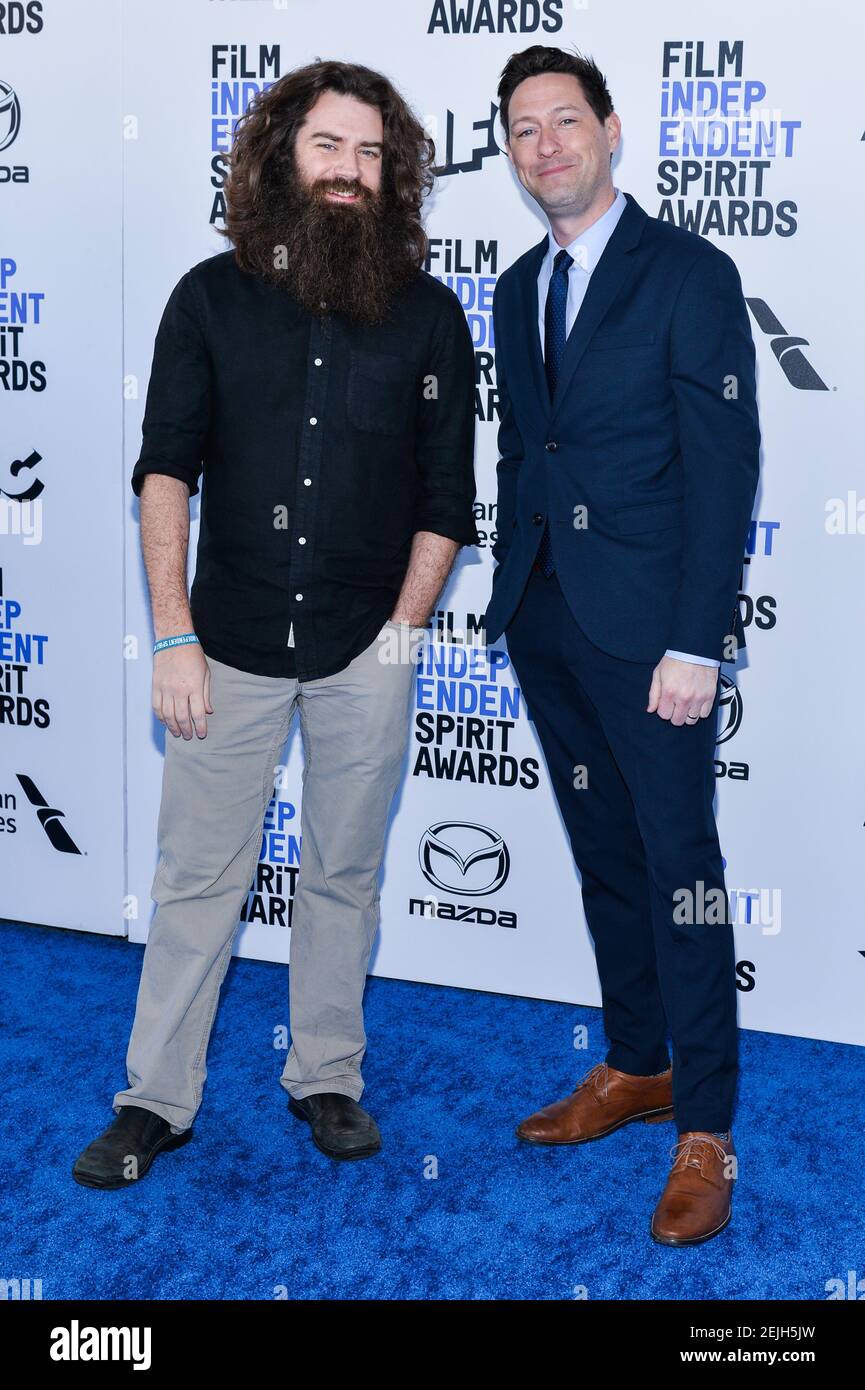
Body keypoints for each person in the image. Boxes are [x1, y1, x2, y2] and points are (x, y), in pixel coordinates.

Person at [72, 60, 478, 1187]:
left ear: (391, 174)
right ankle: (155, 1099)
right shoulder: (206, 299)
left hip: (367, 644)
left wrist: (402, 633)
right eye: (328, 146)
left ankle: (327, 1075)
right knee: (198, 879)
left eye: (370, 153)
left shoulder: (431, 317)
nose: (349, 172)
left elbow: (447, 501)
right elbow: (166, 475)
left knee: (343, 871)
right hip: (228, 643)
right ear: (279, 156)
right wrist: (171, 637)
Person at [484, 45, 760, 1245]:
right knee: (604, 855)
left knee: (681, 871)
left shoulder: (689, 273)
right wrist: (509, 593)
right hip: (545, 618)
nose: (545, 145)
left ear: (608, 130)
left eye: (563, 122)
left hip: (652, 636)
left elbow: (724, 468)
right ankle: (637, 1062)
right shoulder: (509, 288)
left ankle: (706, 1123)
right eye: (521, 130)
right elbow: (526, 457)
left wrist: (696, 641)